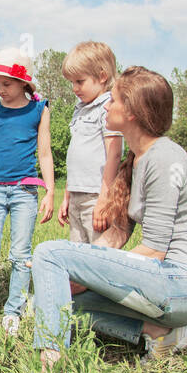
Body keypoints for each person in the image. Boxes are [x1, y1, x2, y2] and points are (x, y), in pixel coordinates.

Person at [0, 66, 187, 373]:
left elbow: (154, 252)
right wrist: (80, 276)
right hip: (163, 287)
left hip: (186, 283)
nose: (107, 105)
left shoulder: (165, 157)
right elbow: (117, 236)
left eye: (116, 99)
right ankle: (160, 333)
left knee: (51, 252)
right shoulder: (137, 161)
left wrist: (86, 273)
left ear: (134, 112)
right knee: (62, 303)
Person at [0, 48, 55, 335]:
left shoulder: (39, 111)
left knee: (21, 256)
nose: (0, 90)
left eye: (6, 84)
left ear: (23, 84)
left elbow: (45, 154)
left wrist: (51, 192)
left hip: (24, 193)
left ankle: (13, 311)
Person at [58, 41, 128, 249]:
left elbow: (114, 155)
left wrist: (104, 199)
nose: (74, 88)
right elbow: (75, 158)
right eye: (71, 82)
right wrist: (67, 196)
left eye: (80, 81)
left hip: (96, 195)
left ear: (102, 76)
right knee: (78, 256)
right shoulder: (80, 110)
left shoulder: (108, 108)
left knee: (98, 256)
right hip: (77, 195)